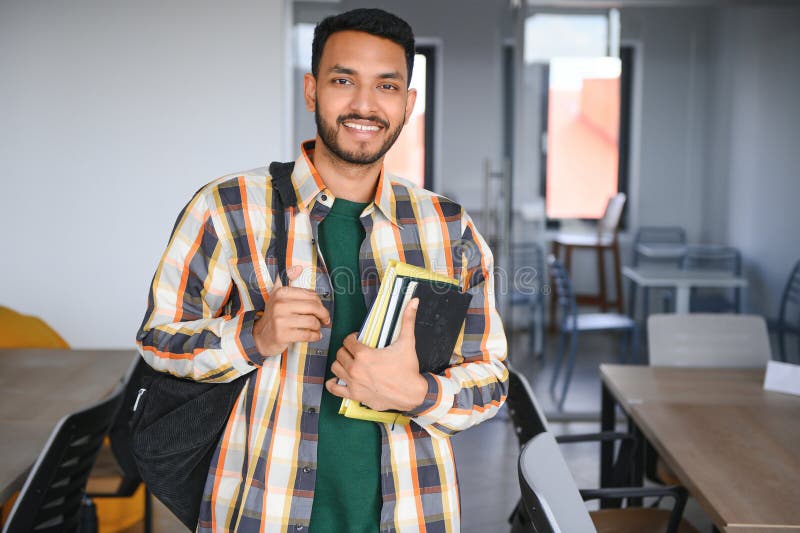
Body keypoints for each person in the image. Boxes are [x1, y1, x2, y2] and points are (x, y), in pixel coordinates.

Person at [136, 8, 507, 532]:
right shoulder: (228, 207)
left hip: (411, 514)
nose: (364, 104)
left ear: (408, 103)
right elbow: (158, 340)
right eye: (342, 80)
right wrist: (253, 337)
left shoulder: (448, 228)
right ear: (312, 91)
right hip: (262, 511)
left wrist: (418, 394)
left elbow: (491, 380)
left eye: (387, 85)